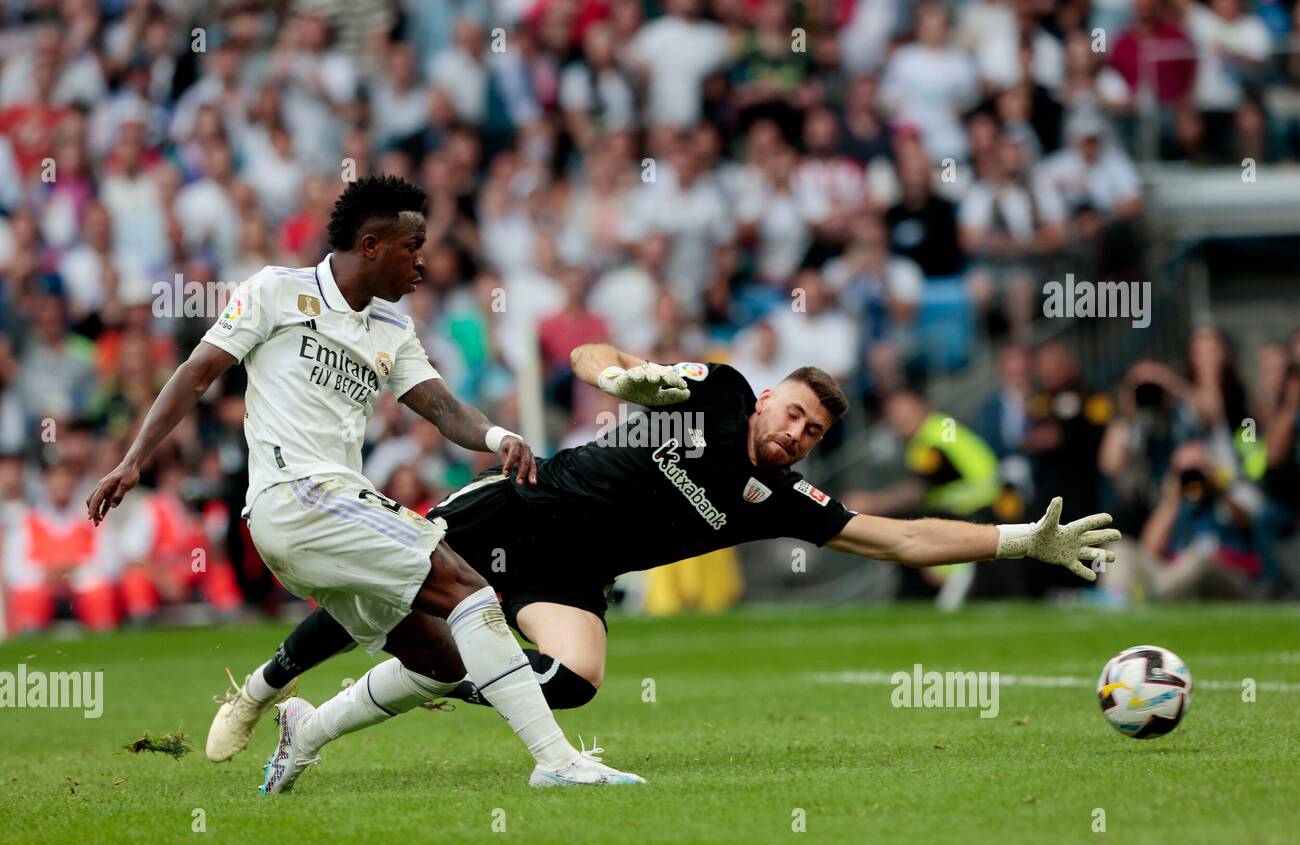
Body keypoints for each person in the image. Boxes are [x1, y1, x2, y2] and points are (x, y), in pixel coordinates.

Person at [206, 341, 1121, 770]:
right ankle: (262, 690)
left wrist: (1018, 541)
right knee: (394, 592)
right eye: (792, 412)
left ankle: (315, 730)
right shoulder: (719, 392)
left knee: (570, 678)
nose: (798, 434)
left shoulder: (782, 501)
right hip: (524, 508)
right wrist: (621, 378)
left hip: (571, 573)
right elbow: (598, 354)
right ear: (764, 401)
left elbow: (906, 537)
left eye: (814, 431)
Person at [86, 175, 645, 793]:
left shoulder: (392, 330)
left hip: (326, 511)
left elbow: (442, 408)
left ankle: (292, 722)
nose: (423, 262)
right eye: (413, 246)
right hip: (294, 496)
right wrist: (133, 459)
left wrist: (494, 438)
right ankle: (556, 761)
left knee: (438, 660)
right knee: (466, 586)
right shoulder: (276, 291)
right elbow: (197, 373)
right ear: (372, 245)